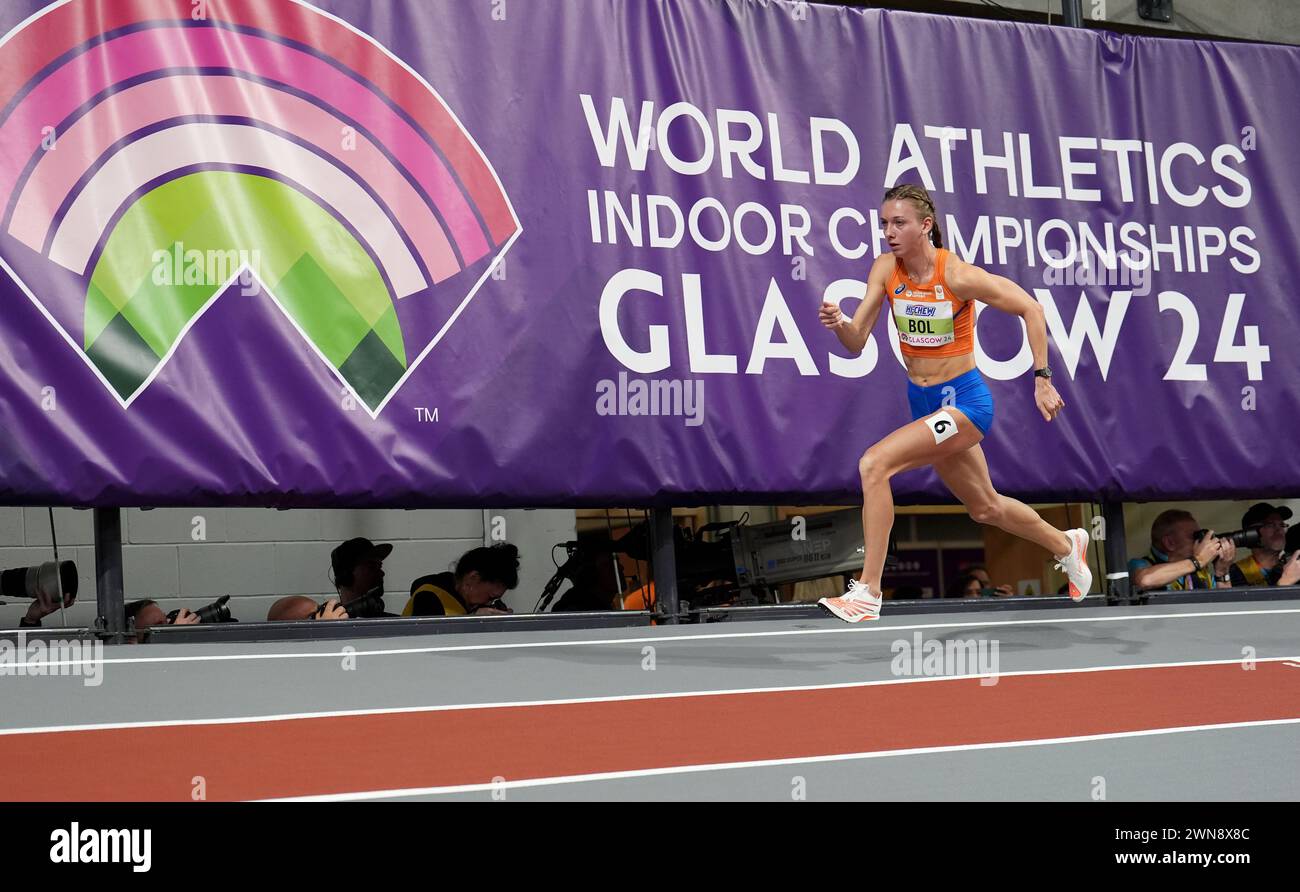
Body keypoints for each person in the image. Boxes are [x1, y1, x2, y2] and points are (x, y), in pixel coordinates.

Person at [816, 184, 1092, 622]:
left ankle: (868, 591)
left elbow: (1031, 309)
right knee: (985, 506)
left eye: (899, 223)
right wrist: (839, 325)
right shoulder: (886, 270)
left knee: (874, 464)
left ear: (926, 226)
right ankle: (1066, 544)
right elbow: (856, 341)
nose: (889, 232)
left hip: (964, 404)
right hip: (925, 404)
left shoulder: (958, 275)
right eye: (884, 223)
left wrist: (1042, 378)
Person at [1128, 509, 1233, 592]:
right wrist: (1198, 560)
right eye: (1193, 536)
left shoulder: (1201, 572)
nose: (1200, 541)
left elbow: (1226, 608)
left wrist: (1222, 573)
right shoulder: (1139, 565)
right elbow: (1145, 580)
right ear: (1170, 543)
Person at [403, 543, 520, 617]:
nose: (489, 604)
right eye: (490, 597)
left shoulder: (471, 602)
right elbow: (431, 642)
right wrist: (473, 620)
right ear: (473, 578)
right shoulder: (429, 597)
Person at [1229, 502, 1300, 587]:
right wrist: (1286, 581)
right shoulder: (1236, 573)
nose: (1279, 529)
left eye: (1281, 524)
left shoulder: (1293, 567)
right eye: (1270, 524)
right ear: (1251, 534)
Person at [329, 537, 397, 616]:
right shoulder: (328, 625)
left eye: (380, 566)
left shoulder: (395, 624)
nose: (381, 573)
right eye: (371, 566)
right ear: (346, 576)